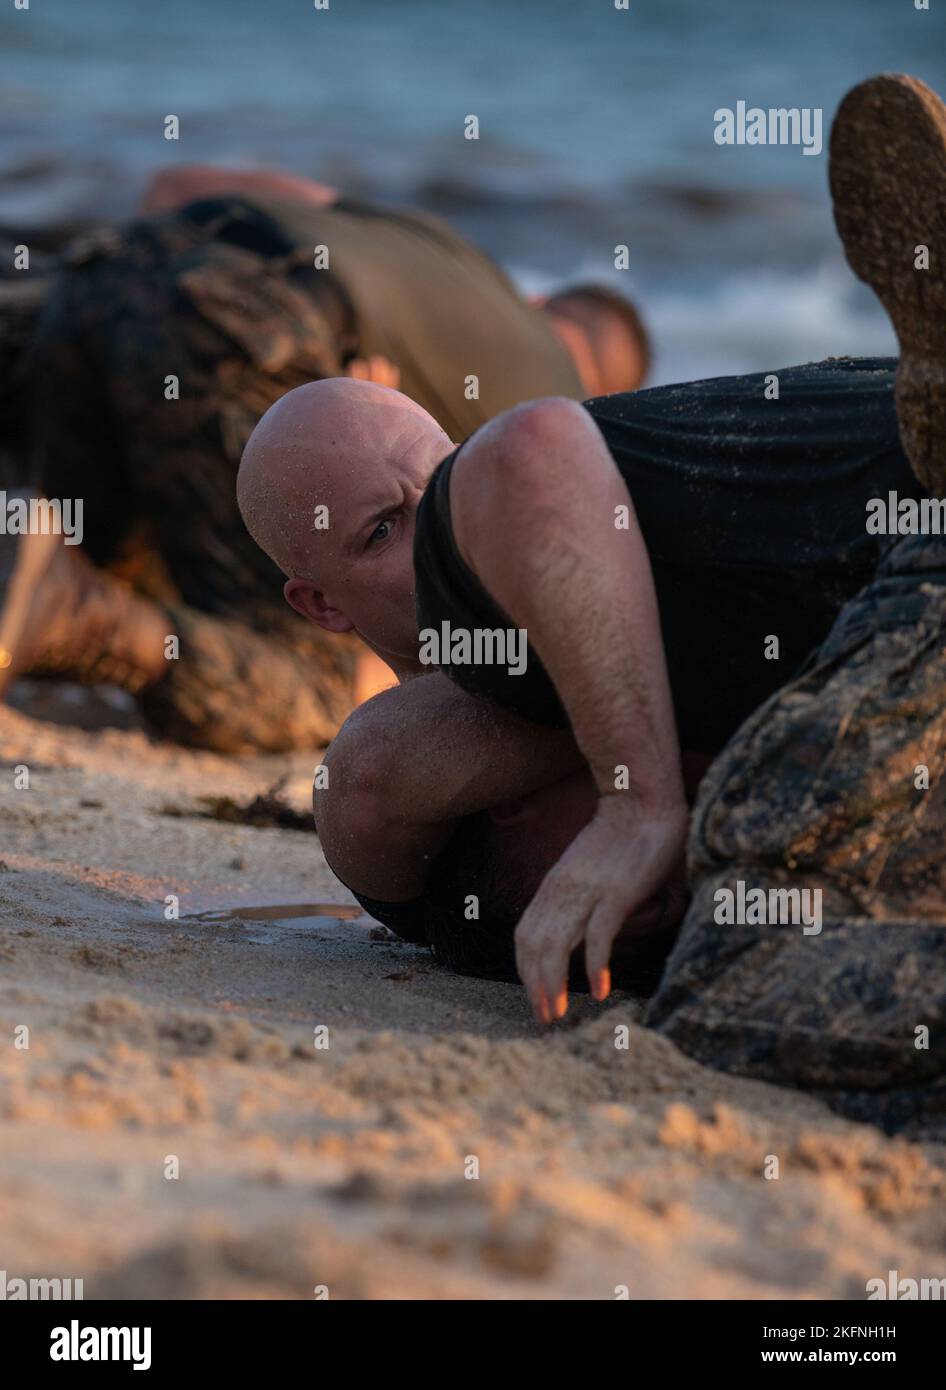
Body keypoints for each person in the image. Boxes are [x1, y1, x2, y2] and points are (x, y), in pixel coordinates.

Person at [238, 70, 944, 1096]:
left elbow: (527, 453)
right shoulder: (428, 791)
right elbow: (370, 778)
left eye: (440, 484)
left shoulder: (492, 544)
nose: (433, 529)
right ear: (322, 605)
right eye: (385, 529)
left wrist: (635, 797)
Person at [0, 166, 647, 752]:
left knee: (116, 549)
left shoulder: (440, 245)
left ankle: (47, 565)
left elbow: (173, 185)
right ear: (601, 392)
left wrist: (149, 310)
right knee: (326, 680)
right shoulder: (547, 424)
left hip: (103, 276)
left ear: (540, 302)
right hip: (243, 333)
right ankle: (78, 615)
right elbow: (440, 632)